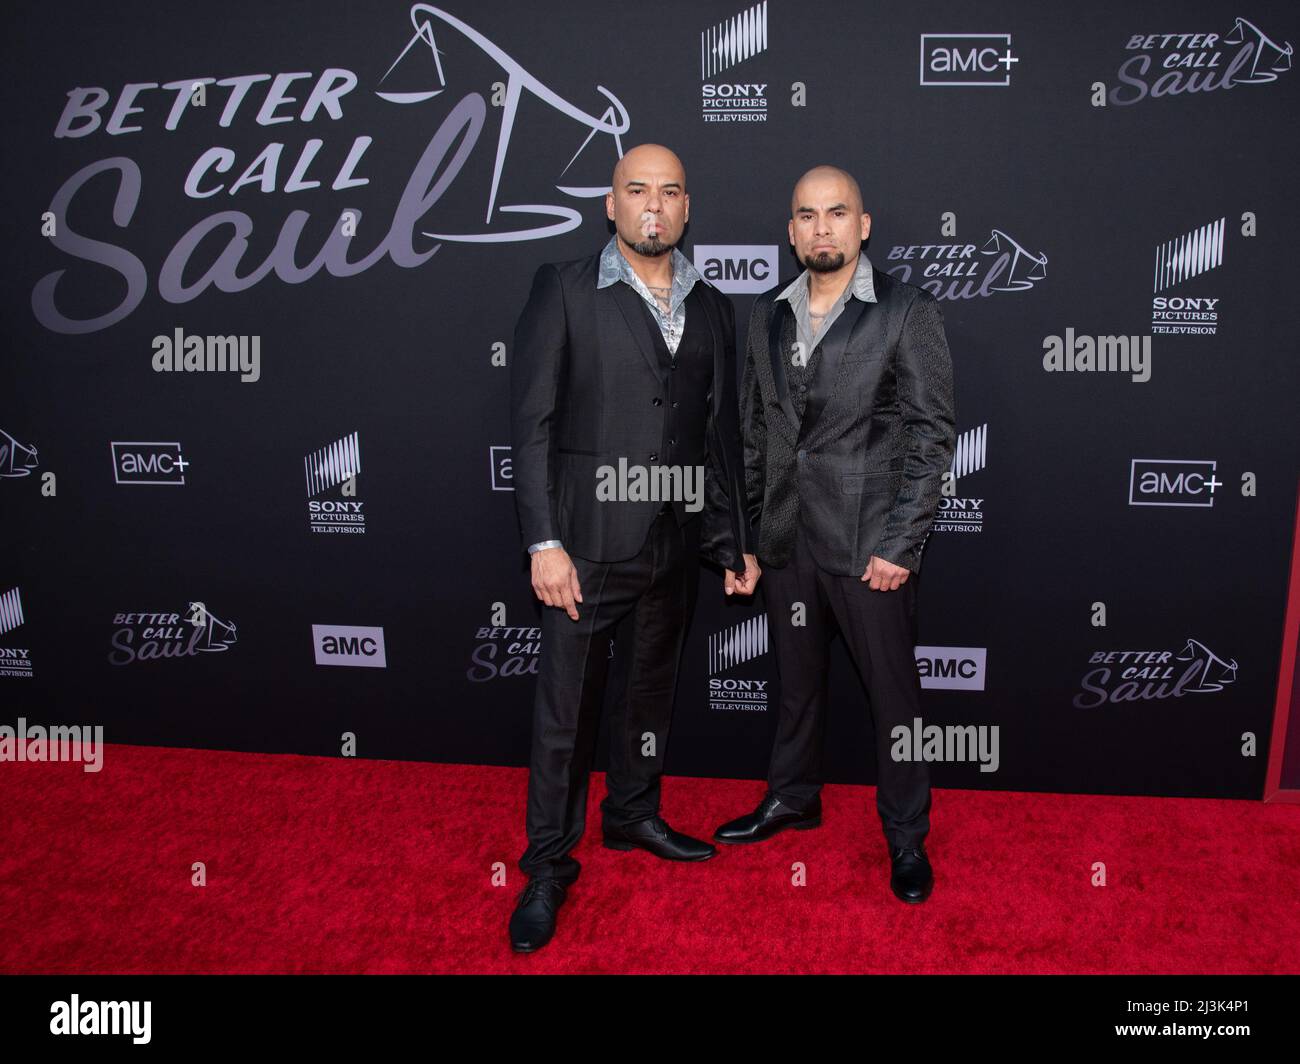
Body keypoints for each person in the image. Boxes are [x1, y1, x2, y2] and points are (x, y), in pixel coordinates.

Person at [507, 143, 761, 951]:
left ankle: (632, 815)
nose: (655, 204)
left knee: (650, 694)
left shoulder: (716, 307)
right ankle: (547, 865)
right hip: (584, 546)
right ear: (610, 205)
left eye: (671, 191)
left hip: (672, 545)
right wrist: (543, 541)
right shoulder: (565, 289)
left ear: (688, 208)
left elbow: (721, 437)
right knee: (564, 716)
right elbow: (533, 425)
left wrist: (733, 544)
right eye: (637, 190)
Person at [713, 165, 955, 904]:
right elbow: (756, 434)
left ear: (863, 225)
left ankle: (907, 835)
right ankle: (792, 798)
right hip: (788, 540)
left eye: (837, 213)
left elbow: (931, 434)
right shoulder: (767, 316)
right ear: (791, 231)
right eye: (807, 215)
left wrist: (902, 543)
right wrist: (749, 539)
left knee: (894, 698)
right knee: (796, 689)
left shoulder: (905, 311)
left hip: (868, 547)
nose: (822, 227)